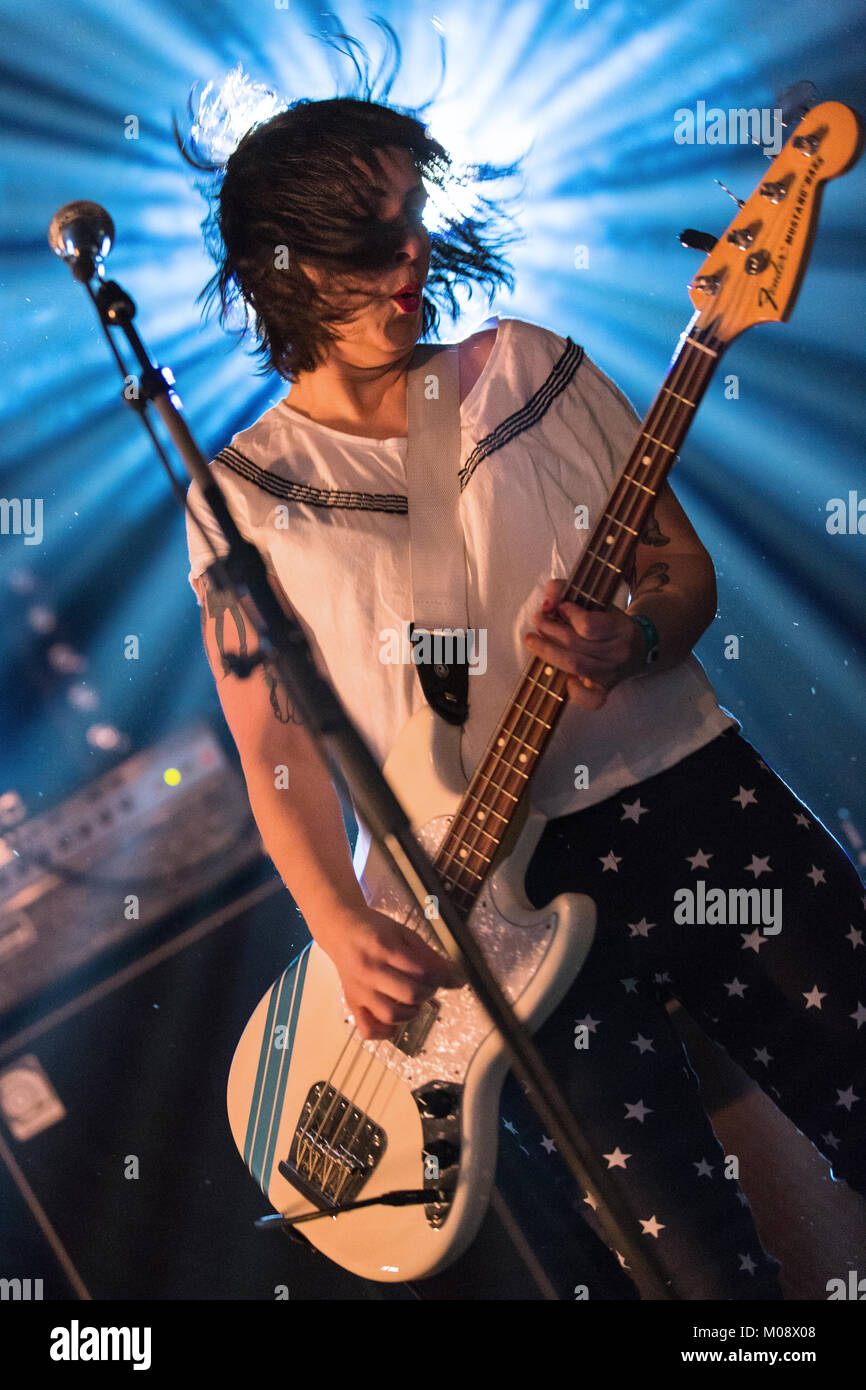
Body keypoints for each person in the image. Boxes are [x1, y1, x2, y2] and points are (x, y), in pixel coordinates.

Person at [180, 90, 866, 1301]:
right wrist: (339, 928)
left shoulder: (528, 366)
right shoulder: (239, 496)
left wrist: (633, 634)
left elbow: (678, 570)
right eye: (365, 235)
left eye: (412, 218)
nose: (410, 256)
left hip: (688, 803)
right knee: (690, 1271)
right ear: (277, 267)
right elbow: (271, 748)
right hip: (471, 907)